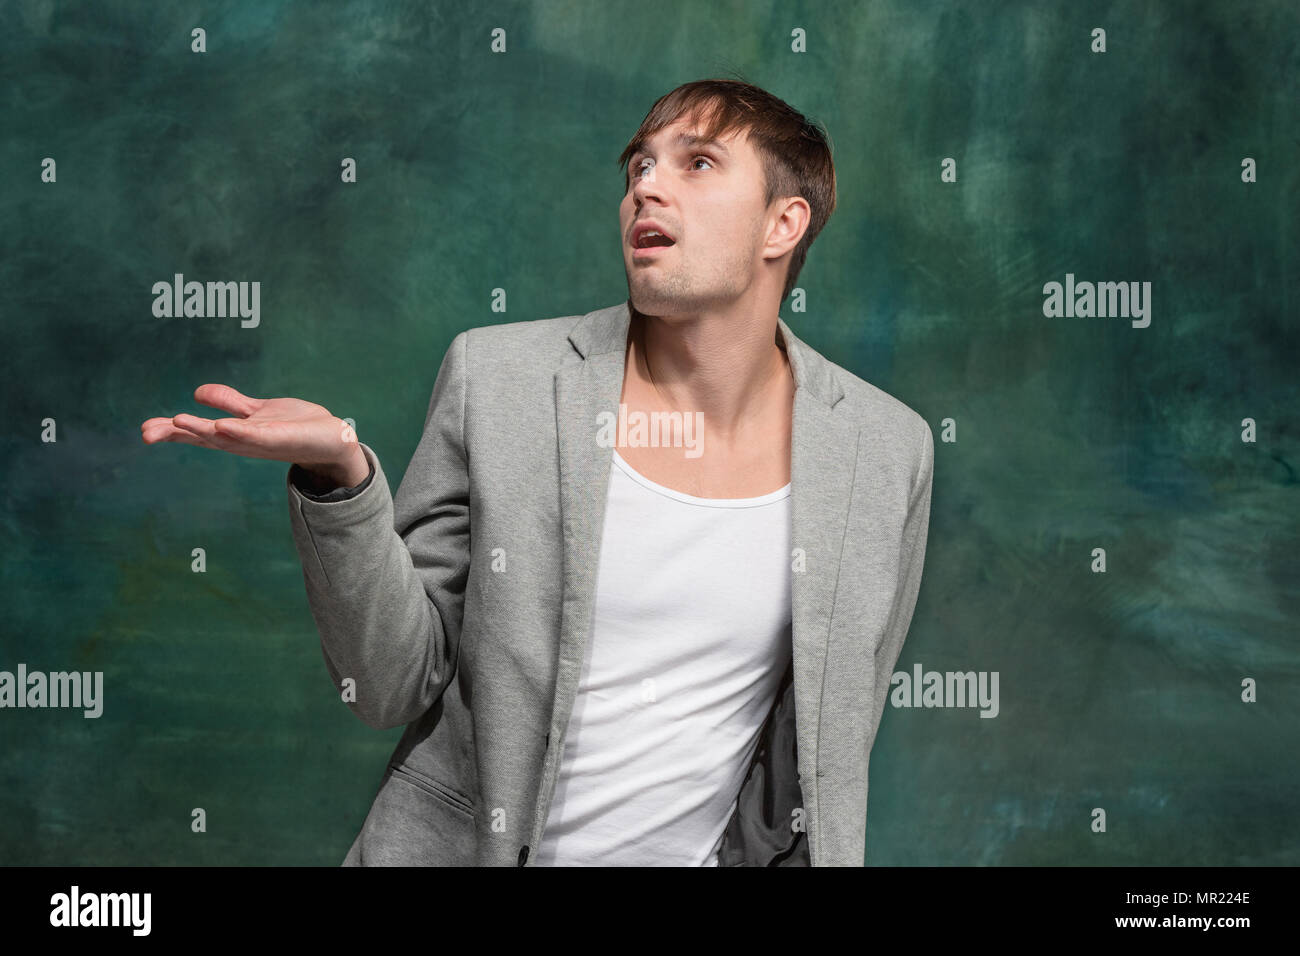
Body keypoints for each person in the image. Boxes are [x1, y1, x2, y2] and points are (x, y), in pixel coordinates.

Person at [140, 77, 934, 866]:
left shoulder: (884, 451)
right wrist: (339, 476)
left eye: (696, 163)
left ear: (782, 223)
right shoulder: (500, 379)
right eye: (639, 168)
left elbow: (825, 748)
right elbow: (389, 684)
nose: (647, 187)